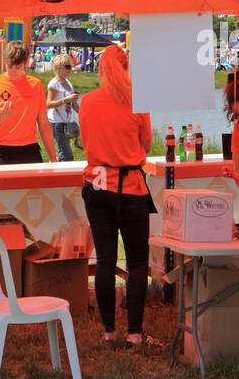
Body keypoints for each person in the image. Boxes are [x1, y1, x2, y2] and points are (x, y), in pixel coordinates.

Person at [78, 44, 157, 347]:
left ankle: (109, 330)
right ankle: (135, 333)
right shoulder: (138, 101)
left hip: (97, 185)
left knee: (106, 260)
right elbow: (146, 146)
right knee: (137, 263)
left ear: (100, 70)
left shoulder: (87, 101)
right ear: (126, 69)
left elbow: (86, 142)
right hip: (132, 187)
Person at [0, 40, 57, 164]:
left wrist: (53, 157)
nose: (13, 71)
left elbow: (43, 123)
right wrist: (0, 117)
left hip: (29, 149)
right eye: (9, 66)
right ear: (5, 62)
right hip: (0, 152)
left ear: (26, 63)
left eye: (18, 67)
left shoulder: (36, 85)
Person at [46, 54, 79, 162]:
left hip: (66, 121)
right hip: (57, 122)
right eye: (68, 67)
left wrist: (85, 114)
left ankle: (53, 170)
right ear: (60, 67)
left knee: (64, 152)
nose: (71, 69)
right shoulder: (54, 84)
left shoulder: (68, 82)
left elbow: (74, 104)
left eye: (71, 66)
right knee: (66, 154)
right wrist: (65, 100)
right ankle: (57, 173)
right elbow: (48, 104)